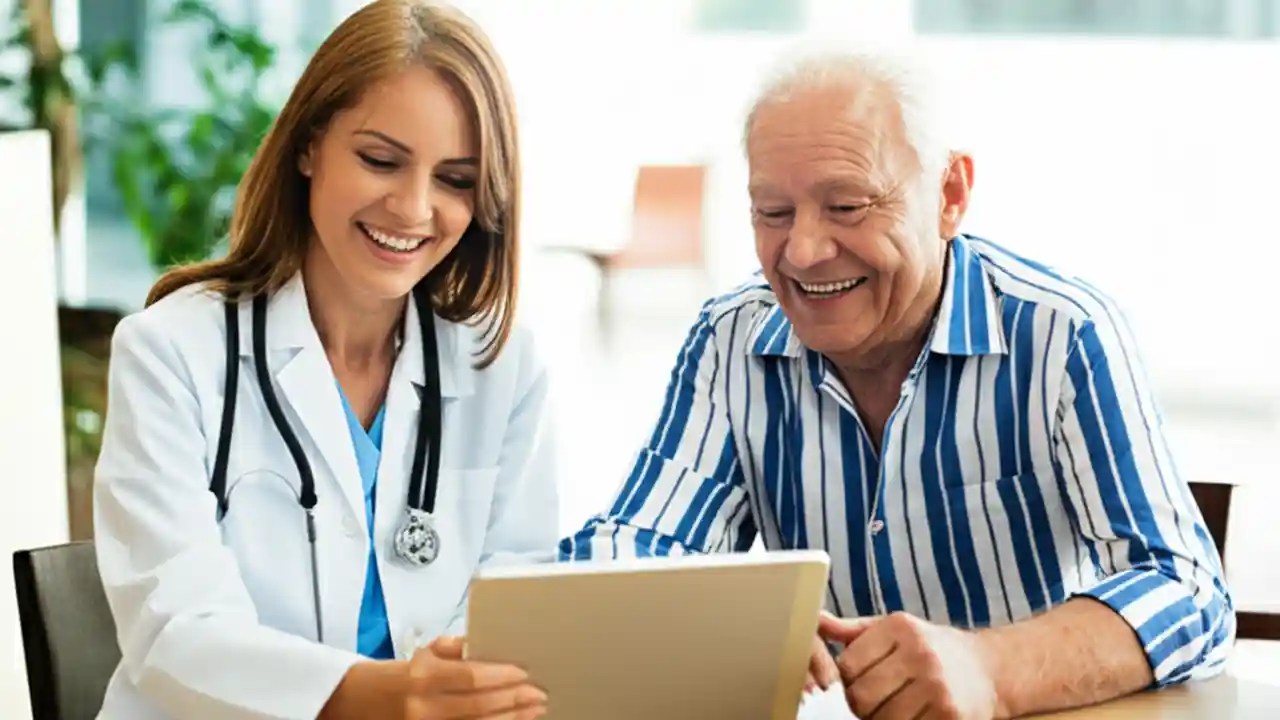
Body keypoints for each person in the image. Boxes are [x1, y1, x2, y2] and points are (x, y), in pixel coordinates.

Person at [561, 50, 1234, 719]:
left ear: (950, 195)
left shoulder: (1062, 335)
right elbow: (635, 548)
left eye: (847, 206)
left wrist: (989, 670)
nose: (803, 251)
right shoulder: (729, 341)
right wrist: (727, 624)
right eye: (772, 212)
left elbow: (1189, 591)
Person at [93, 2, 555, 718]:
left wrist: (457, 689)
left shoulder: (501, 364)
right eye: (380, 160)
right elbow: (175, 630)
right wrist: (393, 697)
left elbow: (522, 597)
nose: (413, 208)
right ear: (309, 146)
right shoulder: (171, 352)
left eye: (456, 180)